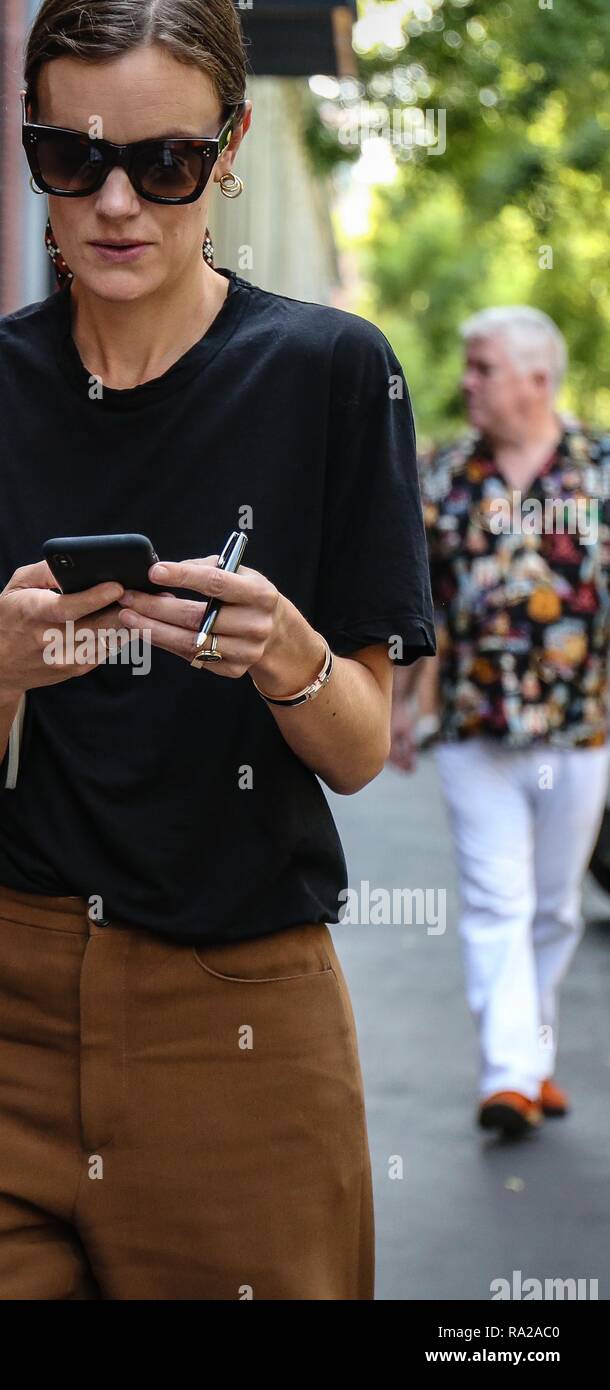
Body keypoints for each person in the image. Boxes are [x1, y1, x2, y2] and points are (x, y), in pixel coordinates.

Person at [0, 0, 435, 1300]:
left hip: (238, 1008)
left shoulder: (334, 375)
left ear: (227, 149)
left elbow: (356, 752)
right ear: (30, 153)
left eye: (163, 163)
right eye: (75, 159)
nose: (116, 202)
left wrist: (287, 652)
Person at [390, 306, 610, 1138]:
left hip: (580, 732)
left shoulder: (600, 469)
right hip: (476, 728)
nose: (467, 383)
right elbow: (423, 607)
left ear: (536, 379)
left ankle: (533, 1055)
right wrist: (403, 707)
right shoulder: (445, 475)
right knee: (495, 902)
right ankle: (509, 1076)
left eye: (482, 368)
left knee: (554, 908)